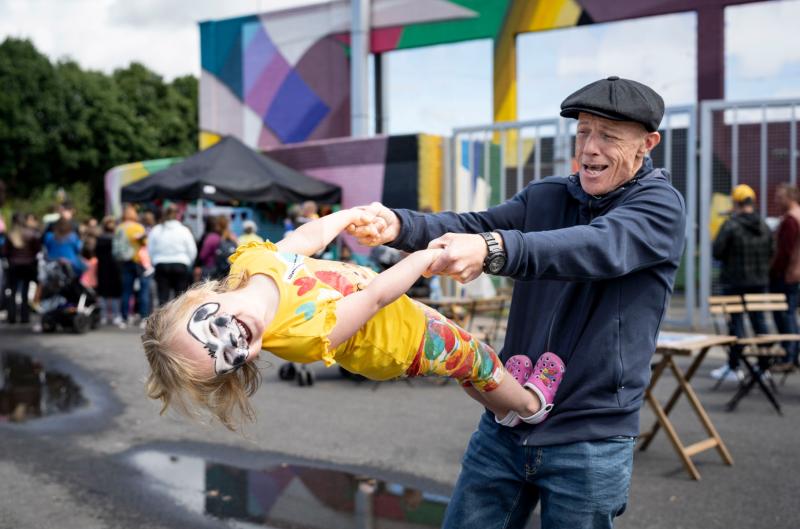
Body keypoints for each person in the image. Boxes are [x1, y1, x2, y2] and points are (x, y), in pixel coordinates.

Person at [347, 76, 685, 529]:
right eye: (583, 131)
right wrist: (399, 225)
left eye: (608, 136)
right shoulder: (547, 195)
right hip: (503, 422)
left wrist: (491, 249)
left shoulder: (659, 206)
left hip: (591, 436)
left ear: (647, 144)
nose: (590, 148)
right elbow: (475, 222)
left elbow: (593, 246)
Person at [141, 207, 566, 433]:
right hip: (402, 339)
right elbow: (375, 296)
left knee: (466, 365)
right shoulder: (301, 334)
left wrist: (347, 217)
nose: (235, 343)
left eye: (215, 331)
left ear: (202, 298)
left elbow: (301, 242)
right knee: (476, 356)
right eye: (228, 359)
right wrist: (423, 257)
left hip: (401, 314)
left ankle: (503, 410)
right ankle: (529, 405)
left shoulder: (248, 264)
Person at [711, 184, 773, 381]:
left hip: (734, 282)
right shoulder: (763, 225)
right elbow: (772, 251)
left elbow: (717, 251)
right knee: (759, 322)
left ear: (736, 203)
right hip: (759, 282)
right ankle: (764, 368)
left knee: (736, 324)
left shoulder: (731, 224)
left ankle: (734, 366)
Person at [770, 183, 800, 370]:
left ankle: (788, 356)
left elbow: (785, 251)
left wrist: (773, 271)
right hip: (795, 273)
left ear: (790, 197)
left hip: (787, 274)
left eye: (780, 197)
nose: (776, 200)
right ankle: (793, 354)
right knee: (791, 315)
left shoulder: (790, 220)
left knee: (785, 315)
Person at [148, 204, 197, 307]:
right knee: (180, 298)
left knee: (163, 297)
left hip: (161, 264)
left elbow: (150, 249)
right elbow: (192, 250)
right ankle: (177, 321)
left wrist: (154, 261)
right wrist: (188, 262)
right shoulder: (184, 230)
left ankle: (162, 321)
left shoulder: (156, 230)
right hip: (180, 263)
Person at [3, 212, 41, 324]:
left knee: (12, 291)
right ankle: (24, 316)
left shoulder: (10, 235)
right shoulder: (31, 234)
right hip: (28, 265)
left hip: (14, 265)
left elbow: (5, 252)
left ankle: (12, 316)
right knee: (24, 292)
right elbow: (37, 250)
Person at [116, 203, 149, 326]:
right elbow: (145, 243)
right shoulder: (138, 228)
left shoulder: (119, 228)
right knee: (143, 290)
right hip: (139, 261)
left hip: (124, 261)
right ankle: (143, 317)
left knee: (126, 291)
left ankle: (124, 318)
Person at [95, 216, 123, 327]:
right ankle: (116, 315)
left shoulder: (99, 239)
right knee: (116, 292)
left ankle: (103, 315)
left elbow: (96, 253)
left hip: (102, 267)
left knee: (103, 292)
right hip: (116, 267)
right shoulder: (116, 238)